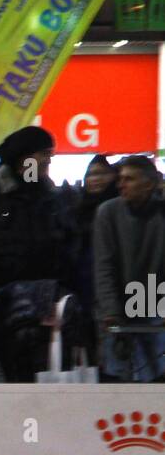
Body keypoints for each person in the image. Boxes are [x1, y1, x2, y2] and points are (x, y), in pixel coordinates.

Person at [0, 126, 78, 291]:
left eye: (50, 154)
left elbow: (68, 237)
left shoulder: (52, 196)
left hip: (48, 292)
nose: (49, 160)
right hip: (5, 294)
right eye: (44, 154)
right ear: (24, 157)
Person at [94, 154, 165, 382]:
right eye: (121, 179)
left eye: (129, 179)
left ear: (149, 184)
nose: (121, 184)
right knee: (118, 381)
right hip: (120, 309)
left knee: (156, 378)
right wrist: (110, 310)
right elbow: (104, 264)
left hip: (154, 305)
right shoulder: (108, 212)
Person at [69, 154, 118, 362]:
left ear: (112, 177)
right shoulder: (77, 209)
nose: (94, 179)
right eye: (90, 174)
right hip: (82, 286)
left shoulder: (119, 208)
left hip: (111, 288)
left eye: (101, 173)